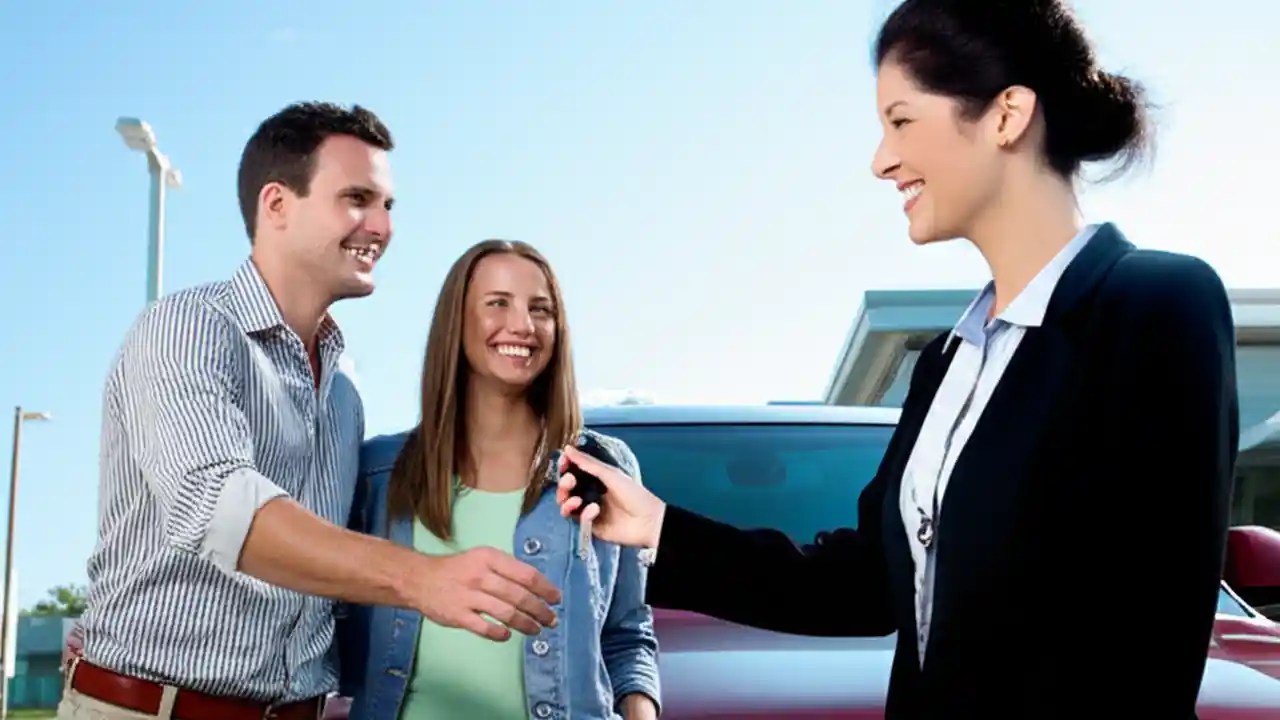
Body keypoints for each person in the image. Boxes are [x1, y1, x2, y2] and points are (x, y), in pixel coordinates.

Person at [557, 2, 1238, 718]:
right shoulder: (949, 362)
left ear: (1006, 116)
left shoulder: (1157, 303)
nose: (881, 160)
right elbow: (866, 585)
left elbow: (1153, 638)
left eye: (902, 121)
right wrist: (659, 527)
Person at [64, 104, 561, 720]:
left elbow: (333, 579)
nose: (380, 226)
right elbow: (220, 507)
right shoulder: (188, 329)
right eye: (357, 198)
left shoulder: (343, 386)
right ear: (276, 205)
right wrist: (421, 577)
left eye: (388, 206)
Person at [338, 239, 661, 720]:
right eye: (498, 303)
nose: (523, 326)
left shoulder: (604, 468)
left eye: (541, 309)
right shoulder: (378, 473)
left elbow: (626, 633)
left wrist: (640, 711)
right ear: (457, 321)